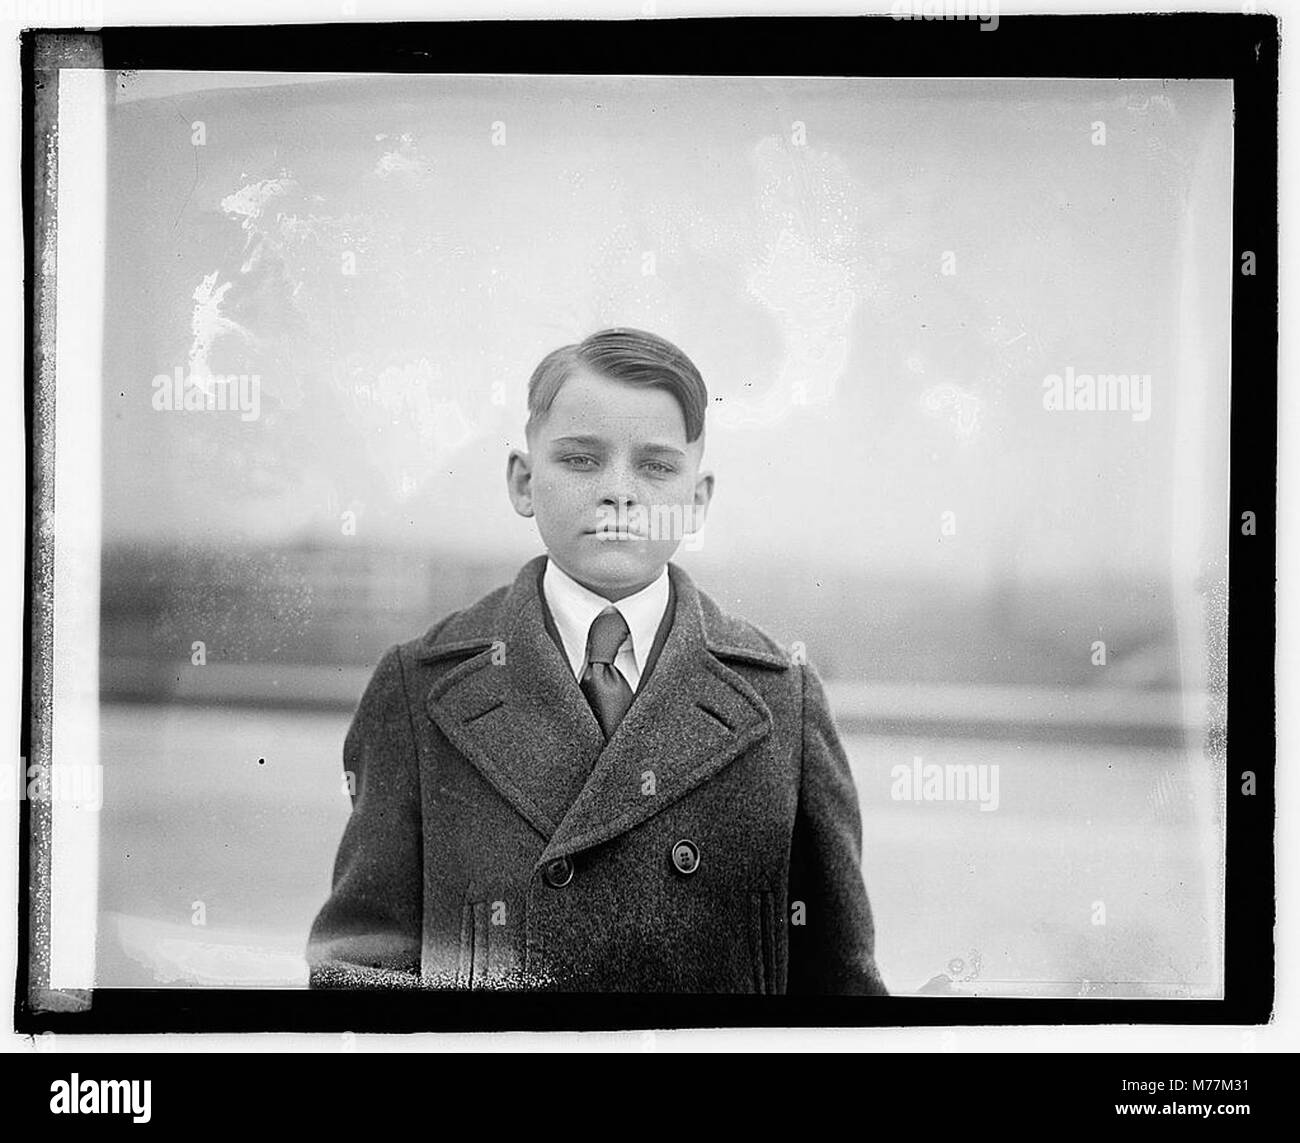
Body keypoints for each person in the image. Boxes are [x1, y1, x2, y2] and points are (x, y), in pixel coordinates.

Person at [306, 327, 888, 994]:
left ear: (697, 502)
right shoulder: (420, 689)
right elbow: (356, 967)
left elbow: (844, 989)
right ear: (524, 481)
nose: (620, 492)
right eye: (581, 460)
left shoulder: (783, 700)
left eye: (657, 466)